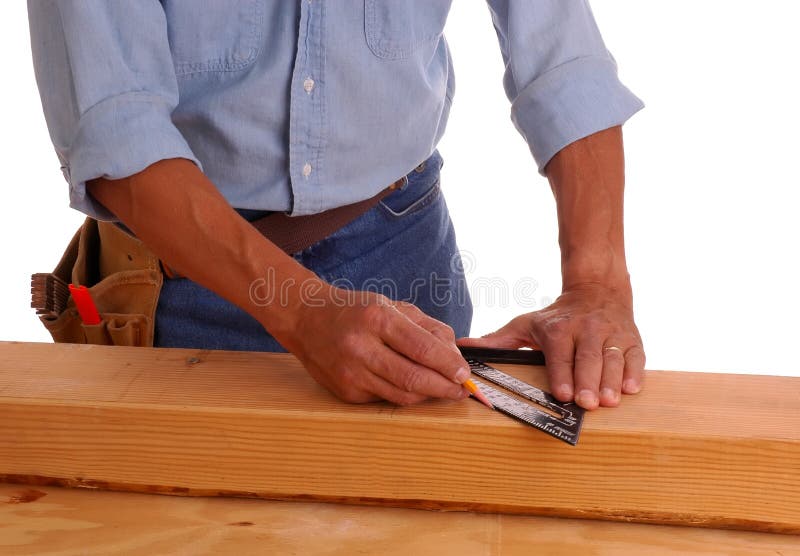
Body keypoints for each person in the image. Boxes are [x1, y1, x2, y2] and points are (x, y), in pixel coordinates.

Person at [28, 1, 645, 411]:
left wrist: (597, 285)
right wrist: (301, 309)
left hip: (408, 250)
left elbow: (563, 60)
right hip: (184, 284)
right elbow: (114, 128)